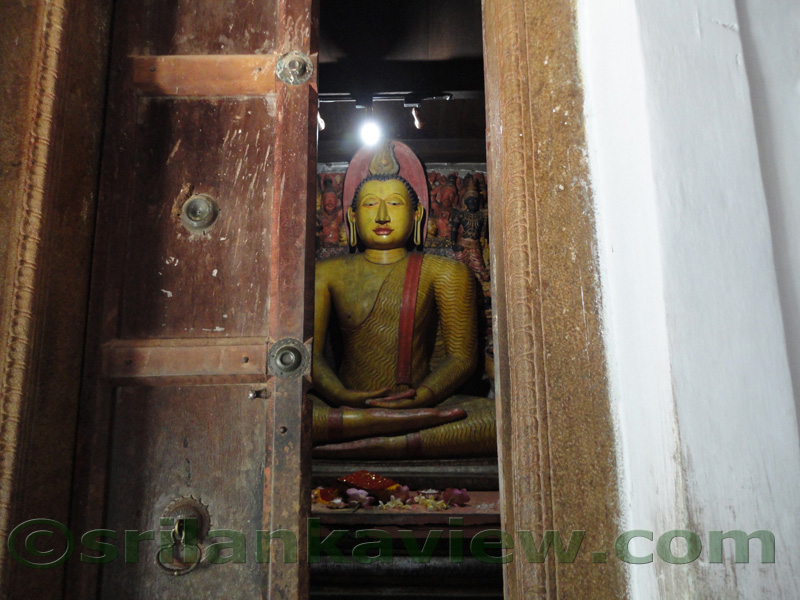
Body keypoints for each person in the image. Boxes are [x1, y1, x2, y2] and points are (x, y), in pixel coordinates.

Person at [311, 141, 496, 459]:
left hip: (422, 402)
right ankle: (379, 429)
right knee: (290, 413)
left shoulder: (446, 273)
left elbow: (462, 359)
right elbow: (309, 355)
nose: (382, 215)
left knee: (495, 421)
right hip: (348, 403)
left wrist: (422, 397)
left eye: (394, 204)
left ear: (417, 213)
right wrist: (344, 396)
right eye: (370, 206)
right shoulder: (327, 274)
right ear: (352, 216)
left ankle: (366, 438)